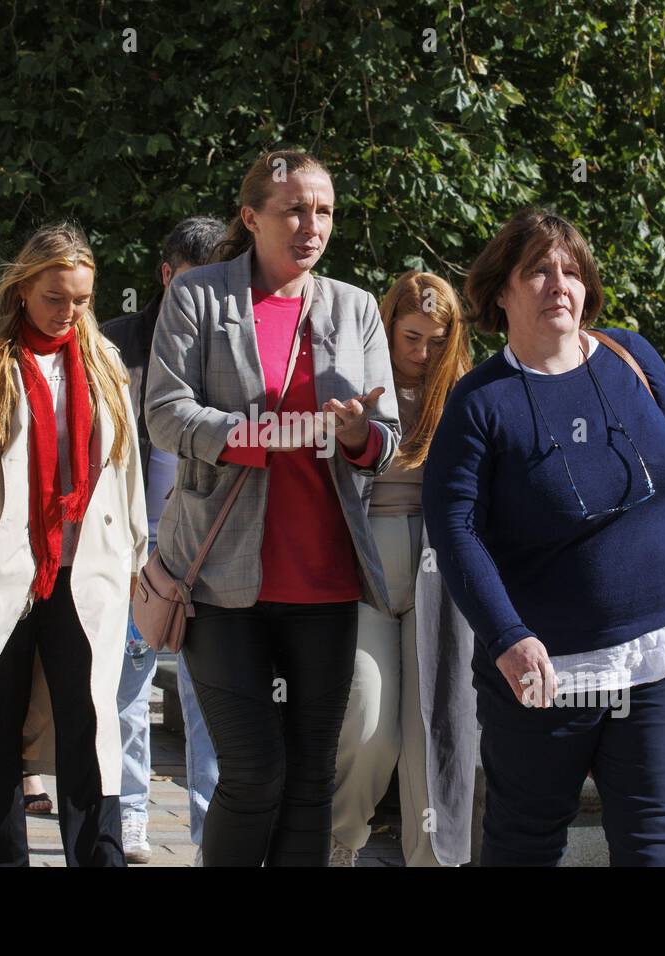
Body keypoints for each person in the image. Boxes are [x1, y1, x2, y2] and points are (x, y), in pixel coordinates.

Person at [423, 207, 665, 867]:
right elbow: (454, 528)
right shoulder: (478, 404)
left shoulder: (632, 355)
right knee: (526, 845)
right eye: (538, 271)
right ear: (501, 292)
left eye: (571, 271)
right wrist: (506, 637)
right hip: (544, 678)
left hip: (657, 657)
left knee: (654, 840)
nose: (559, 283)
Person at [145, 148, 400, 866]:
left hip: (323, 581)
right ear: (252, 217)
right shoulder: (198, 297)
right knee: (255, 772)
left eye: (322, 210)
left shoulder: (354, 308)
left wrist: (357, 437)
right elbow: (165, 415)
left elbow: (387, 441)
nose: (310, 224)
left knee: (312, 778)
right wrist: (252, 434)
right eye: (293, 209)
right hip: (221, 577)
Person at [0, 221, 148, 868]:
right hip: (2, 568)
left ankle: (101, 857)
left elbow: (127, 472)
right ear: (24, 288)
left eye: (82, 299)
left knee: (90, 724)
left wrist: (136, 557)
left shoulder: (102, 360)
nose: (69, 312)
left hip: (86, 569)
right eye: (55, 297)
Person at [330, 270, 478, 867]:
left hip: (439, 576)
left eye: (437, 341)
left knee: (433, 737)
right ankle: (339, 845)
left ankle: (434, 859)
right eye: (411, 337)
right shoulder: (357, 384)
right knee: (370, 729)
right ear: (386, 327)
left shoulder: (465, 394)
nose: (422, 353)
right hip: (363, 572)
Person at [104, 216, 226, 863]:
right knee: (126, 690)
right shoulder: (117, 347)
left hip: (214, 555)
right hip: (135, 552)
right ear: (166, 275)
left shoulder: (238, 353)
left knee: (209, 702)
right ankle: (129, 815)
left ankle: (212, 834)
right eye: (191, 281)